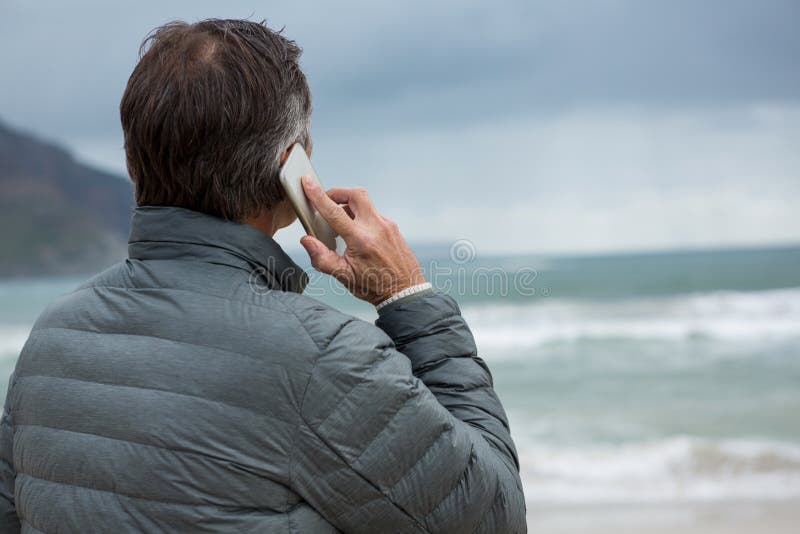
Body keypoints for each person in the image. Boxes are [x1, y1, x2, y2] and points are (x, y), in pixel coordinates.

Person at [0, 18, 526, 533]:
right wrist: (408, 296)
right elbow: (493, 514)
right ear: (290, 171)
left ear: (135, 163)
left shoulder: (52, 334)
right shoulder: (322, 356)